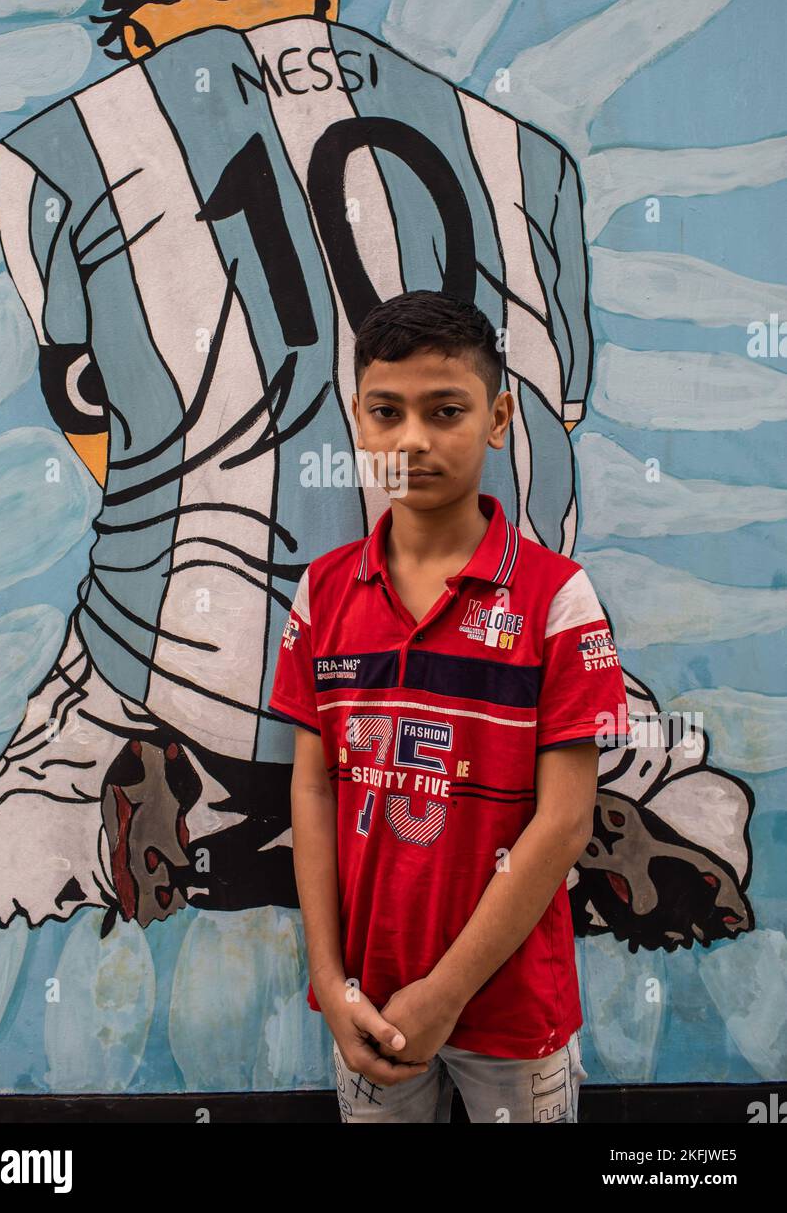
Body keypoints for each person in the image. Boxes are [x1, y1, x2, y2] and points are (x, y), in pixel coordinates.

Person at [0, 0, 597, 934]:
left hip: (205, 650)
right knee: (515, 695)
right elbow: (557, 409)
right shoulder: (525, 155)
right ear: (317, 6)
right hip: (484, 660)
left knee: (37, 783)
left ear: (132, 40)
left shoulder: (53, 155)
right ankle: (572, 810)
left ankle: (134, 784)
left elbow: (96, 427)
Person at [268, 291, 632, 1122]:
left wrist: (445, 993)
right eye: (387, 413)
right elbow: (314, 789)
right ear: (357, 422)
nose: (414, 440)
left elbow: (566, 823)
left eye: (447, 411)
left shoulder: (555, 599)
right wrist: (331, 982)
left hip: (512, 1017)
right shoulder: (323, 595)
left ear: (499, 418)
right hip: (369, 1005)